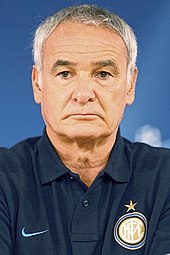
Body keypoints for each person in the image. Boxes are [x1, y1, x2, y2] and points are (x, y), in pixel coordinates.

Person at [0, 4, 170, 255]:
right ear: (38, 84)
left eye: (102, 74)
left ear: (130, 85)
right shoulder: (4, 177)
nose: (83, 94)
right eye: (65, 73)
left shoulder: (165, 177)